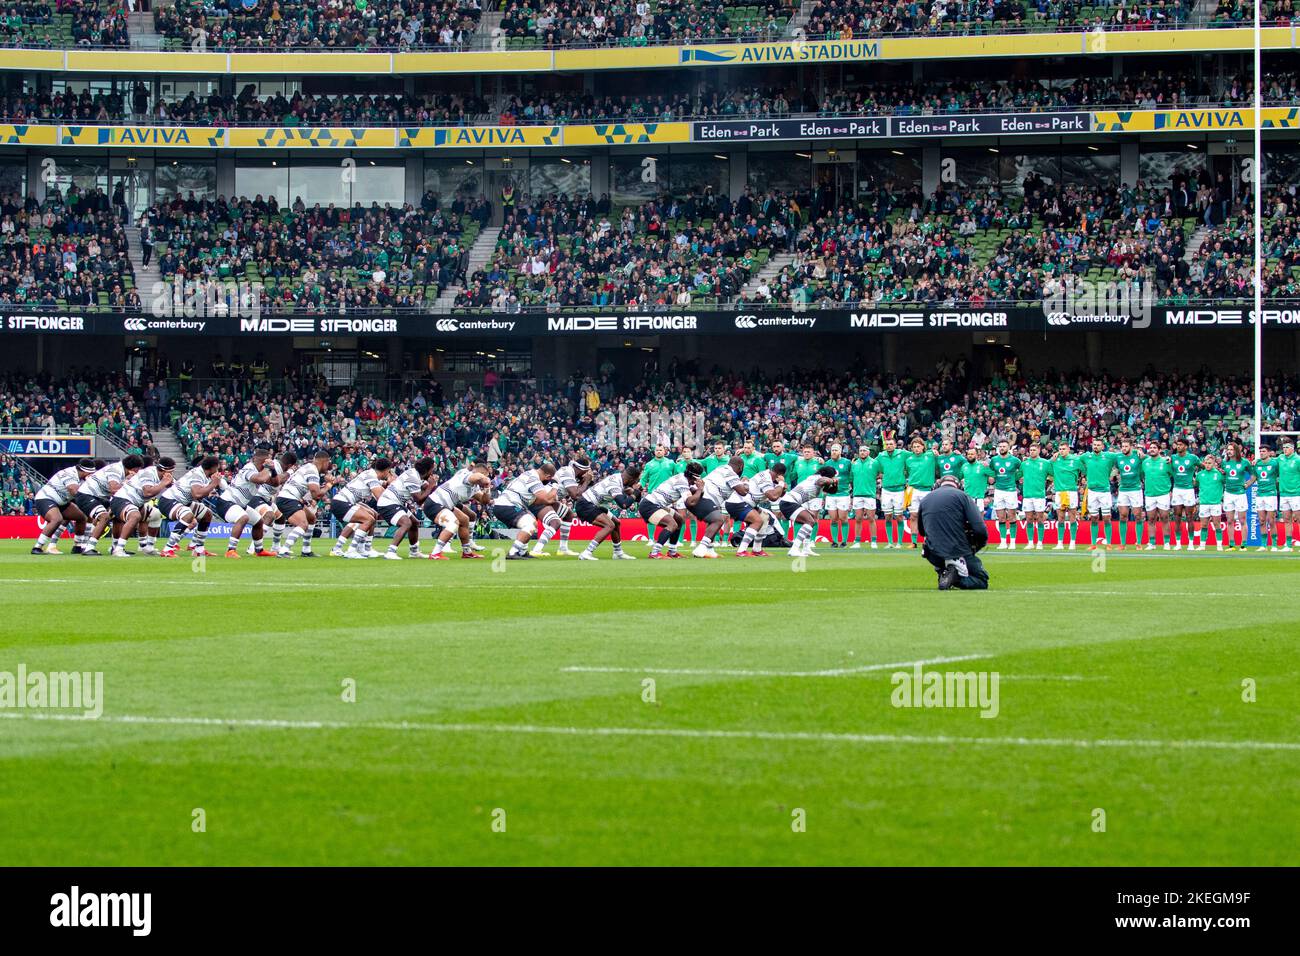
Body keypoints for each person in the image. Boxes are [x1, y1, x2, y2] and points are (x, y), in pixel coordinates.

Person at [916, 475, 990, 591]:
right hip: (958, 549)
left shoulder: (926, 499)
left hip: (933, 552)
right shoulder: (963, 497)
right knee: (981, 581)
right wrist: (977, 546)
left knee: (941, 559)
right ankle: (956, 578)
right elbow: (979, 528)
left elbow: (921, 531)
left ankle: (944, 572)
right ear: (958, 486)